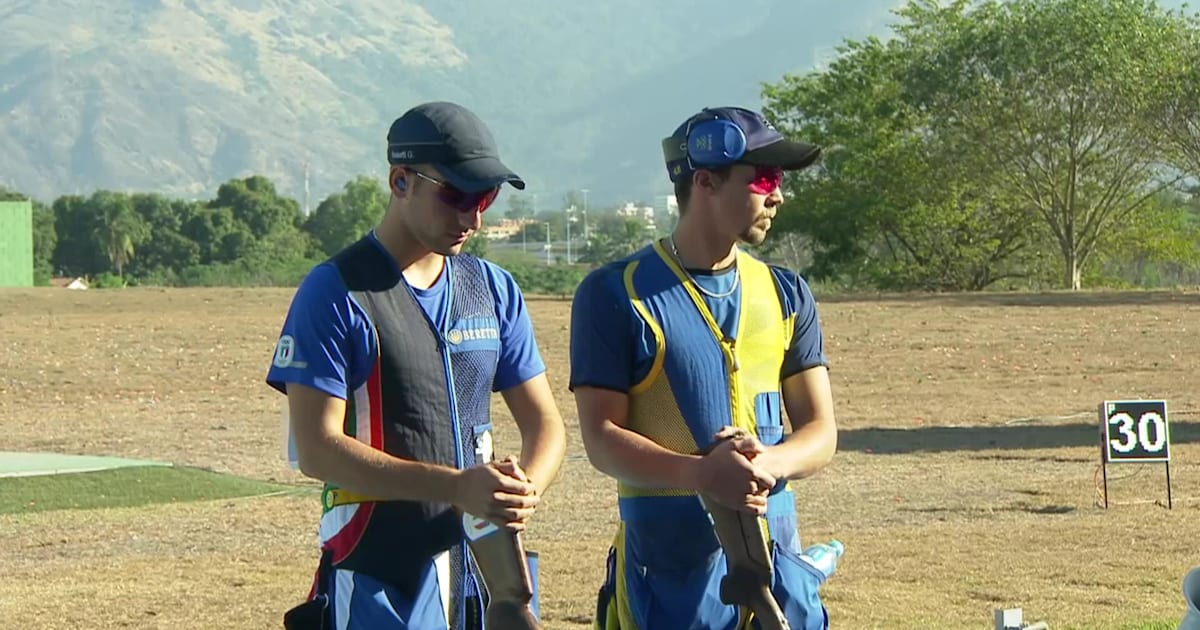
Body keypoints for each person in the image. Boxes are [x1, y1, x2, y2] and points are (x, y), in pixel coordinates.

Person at [267, 101, 567, 630]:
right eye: (456, 196)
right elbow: (316, 448)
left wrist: (521, 493)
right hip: (377, 576)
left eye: (485, 198)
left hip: (487, 576)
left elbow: (546, 426)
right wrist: (455, 487)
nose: (473, 218)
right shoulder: (336, 291)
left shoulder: (494, 289)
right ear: (400, 181)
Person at [569, 106, 839, 630]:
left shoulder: (787, 293)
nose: (778, 195)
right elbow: (601, 439)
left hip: (778, 565)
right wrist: (701, 474)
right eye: (764, 178)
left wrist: (770, 462)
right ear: (706, 181)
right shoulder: (615, 293)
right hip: (670, 578)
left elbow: (821, 432)